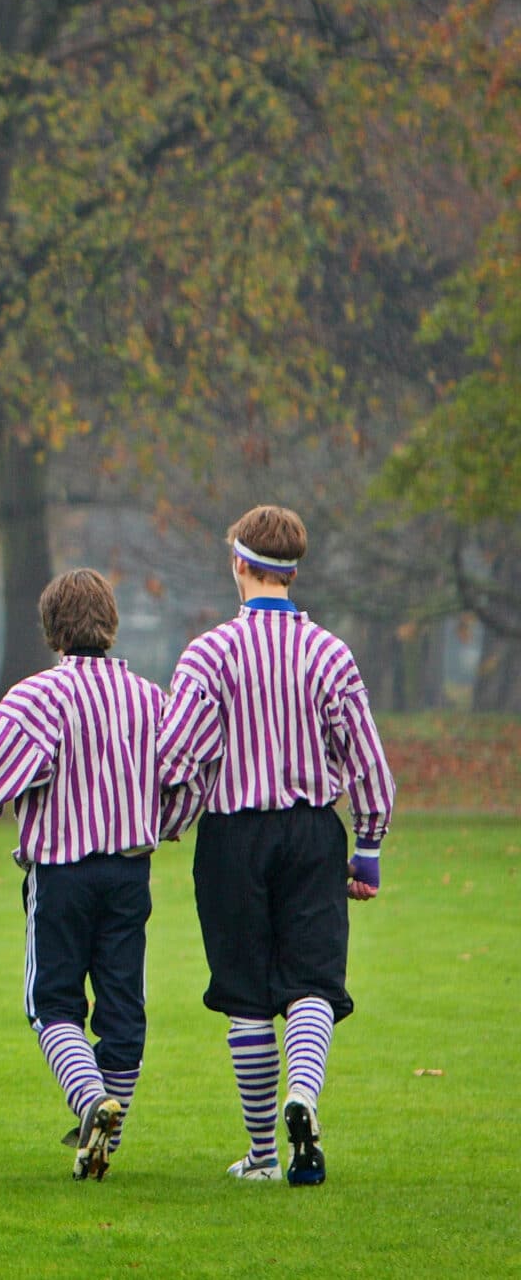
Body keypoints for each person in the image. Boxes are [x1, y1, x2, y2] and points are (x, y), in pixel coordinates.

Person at [156, 505, 394, 1187]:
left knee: (248, 995)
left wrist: (174, 809)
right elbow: (369, 764)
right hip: (312, 831)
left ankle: (262, 1151)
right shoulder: (329, 653)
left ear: (239, 563)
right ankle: (305, 1096)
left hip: (233, 835)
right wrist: (369, 844)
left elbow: (177, 757)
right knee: (315, 981)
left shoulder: (209, 653)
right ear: (293, 569)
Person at [0, 569, 178, 1181]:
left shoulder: (38, 698)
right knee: (122, 1009)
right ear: (111, 622)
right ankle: (105, 1136)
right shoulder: (151, 699)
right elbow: (185, 776)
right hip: (131, 874)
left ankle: (89, 1102)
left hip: (61, 874)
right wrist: (162, 822)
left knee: (52, 1003)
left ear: (52, 628)